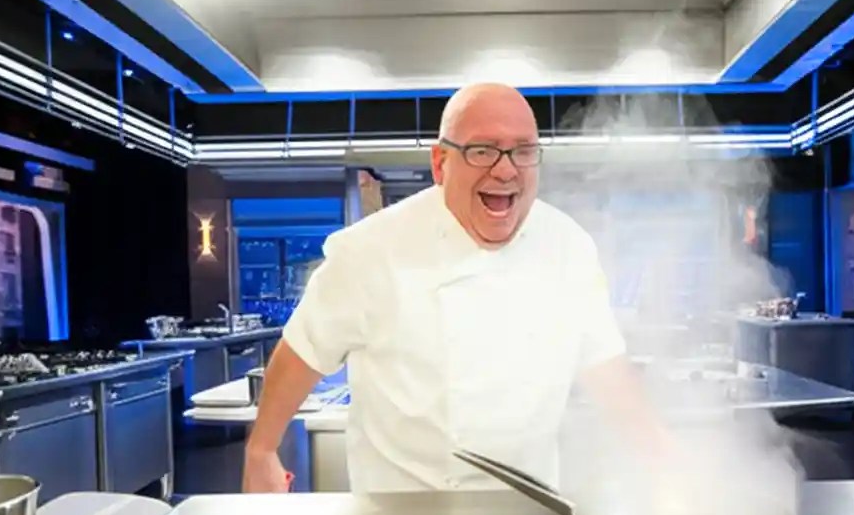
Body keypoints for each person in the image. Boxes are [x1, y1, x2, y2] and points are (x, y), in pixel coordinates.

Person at [243, 82, 651, 493]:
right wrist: (261, 450)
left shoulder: (569, 246)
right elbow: (303, 349)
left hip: (532, 514)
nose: (506, 169)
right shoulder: (371, 251)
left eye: (523, 151)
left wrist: (663, 463)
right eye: (482, 150)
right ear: (440, 164)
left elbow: (606, 367)